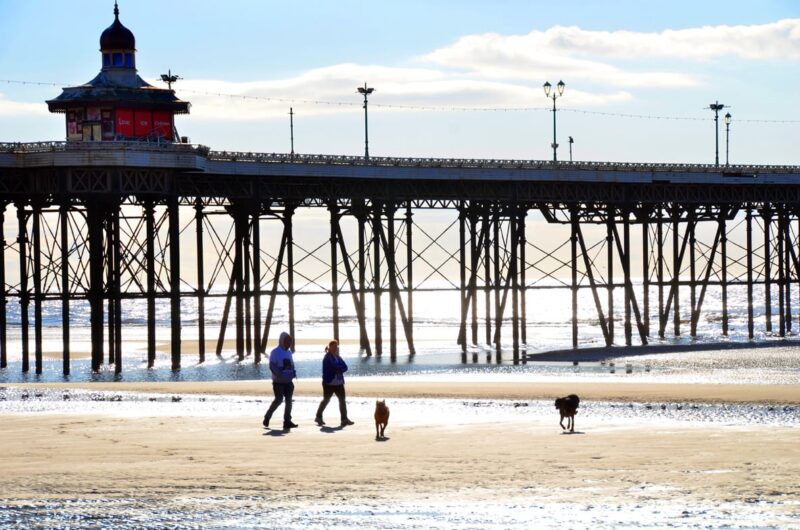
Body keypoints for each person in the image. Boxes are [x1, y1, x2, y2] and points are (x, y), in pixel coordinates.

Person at [314, 340, 354, 428]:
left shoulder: (337, 357)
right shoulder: (327, 358)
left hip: (339, 383)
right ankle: (318, 416)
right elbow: (333, 367)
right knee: (326, 400)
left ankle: (344, 419)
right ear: (330, 347)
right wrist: (339, 368)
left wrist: (339, 369)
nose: (336, 348)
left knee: (342, 400)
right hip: (329, 383)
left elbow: (345, 367)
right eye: (334, 346)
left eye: (337, 347)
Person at [263, 332, 297, 430]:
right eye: (287, 341)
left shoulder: (289, 352)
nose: (289, 343)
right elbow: (271, 365)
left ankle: (287, 421)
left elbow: (292, 364)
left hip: (289, 382)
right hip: (278, 382)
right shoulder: (275, 352)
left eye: (290, 341)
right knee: (278, 400)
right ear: (282, 341)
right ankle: (267, 417)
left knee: (289, 401)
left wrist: (294, 372)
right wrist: (279, 374)